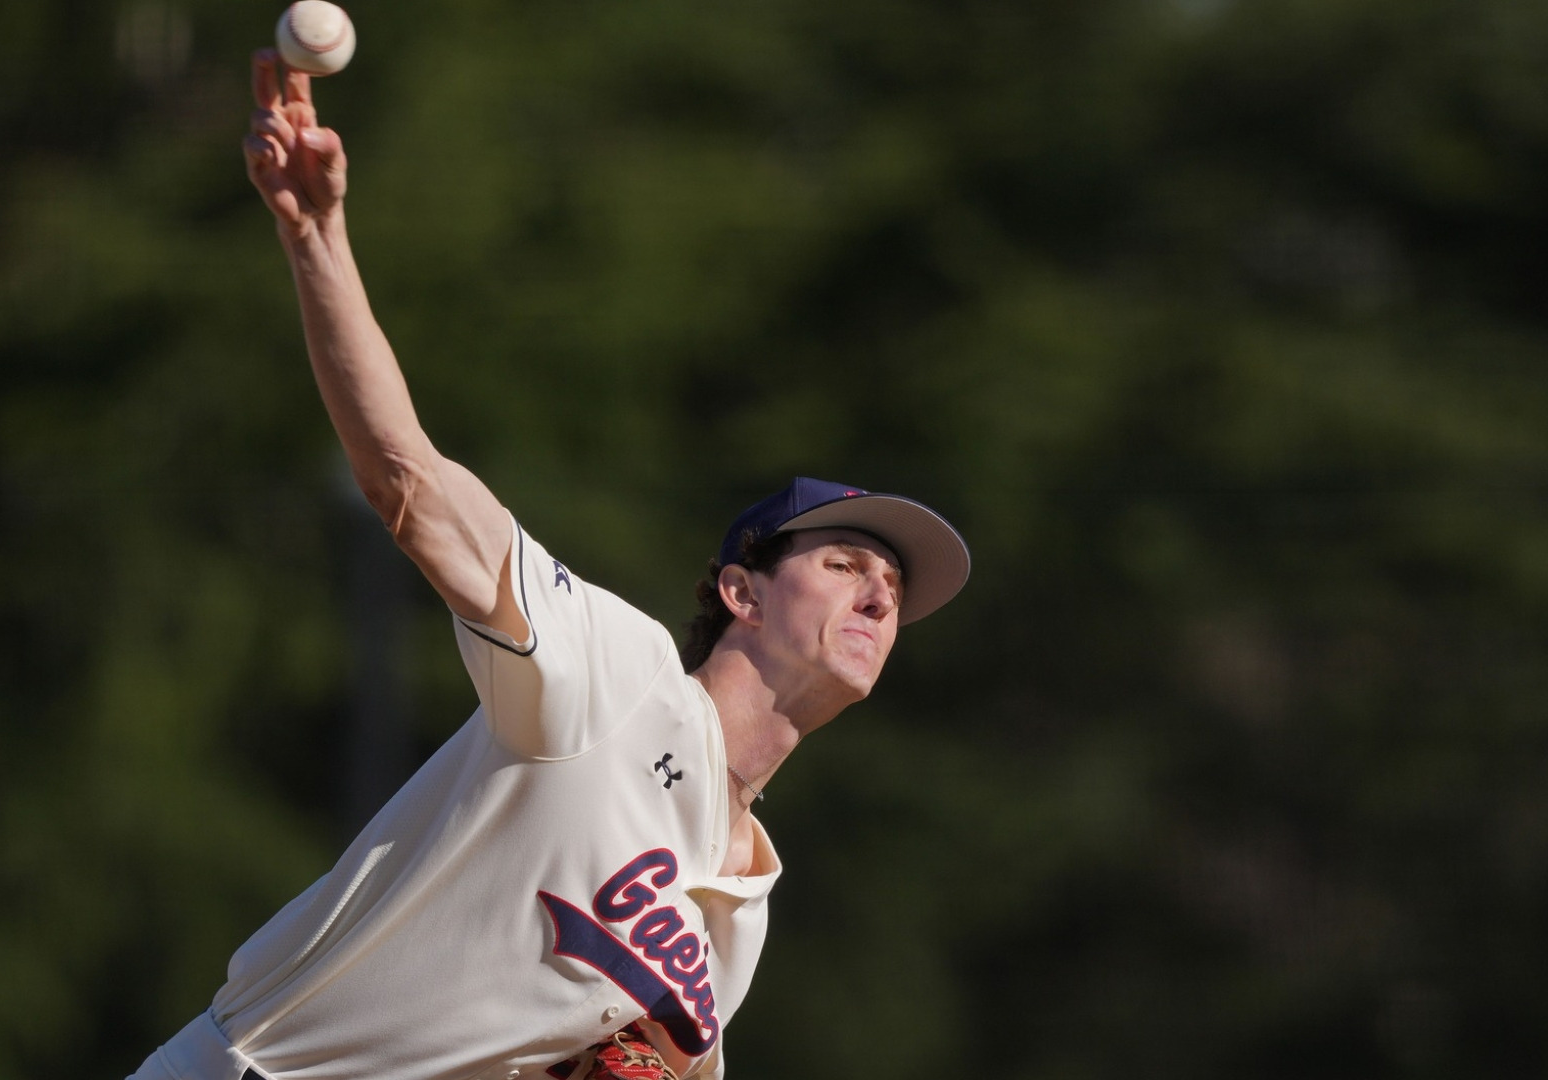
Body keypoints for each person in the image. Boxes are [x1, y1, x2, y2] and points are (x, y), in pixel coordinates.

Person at [128, 50, 970, 1080]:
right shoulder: (621, 680)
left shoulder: (737, 916)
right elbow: (409, 482)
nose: (881, 592)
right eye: (846, 563)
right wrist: (316, 238)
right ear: (740, 591)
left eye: (892, 588)